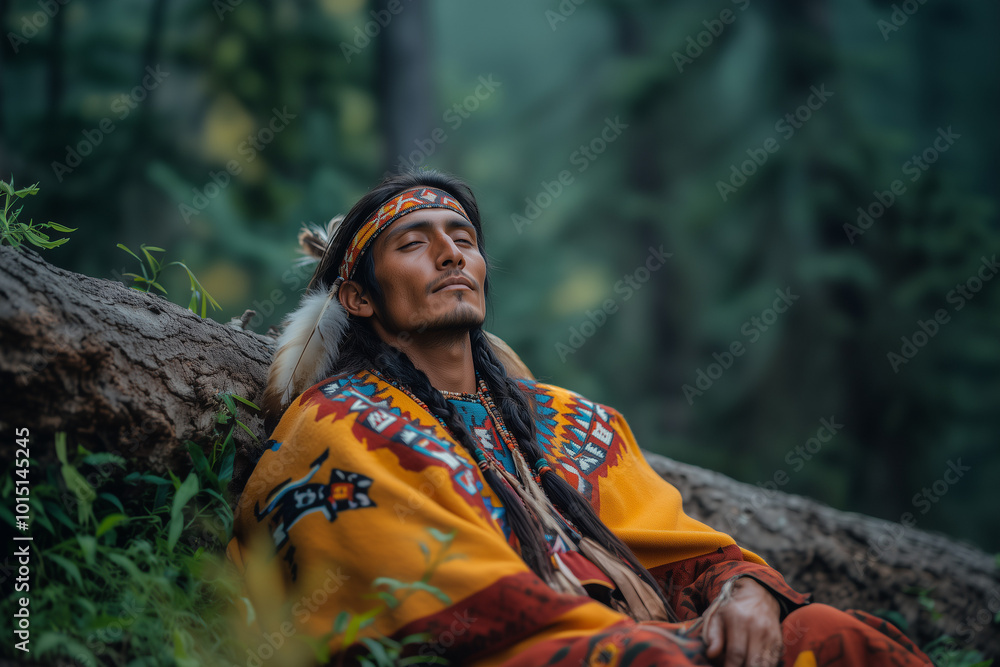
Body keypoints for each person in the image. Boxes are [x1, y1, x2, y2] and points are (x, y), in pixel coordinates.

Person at [227, 170, 932, 666]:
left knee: (832, 633)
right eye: (413, 243)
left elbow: (685, 552)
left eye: (463, 237)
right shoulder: (339, 421)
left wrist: (744, 593)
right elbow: (423, 605)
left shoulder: (569, 417)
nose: (451, 253)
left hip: (656, 641)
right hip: (537, 651)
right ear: (357, 296)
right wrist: (660, 646)